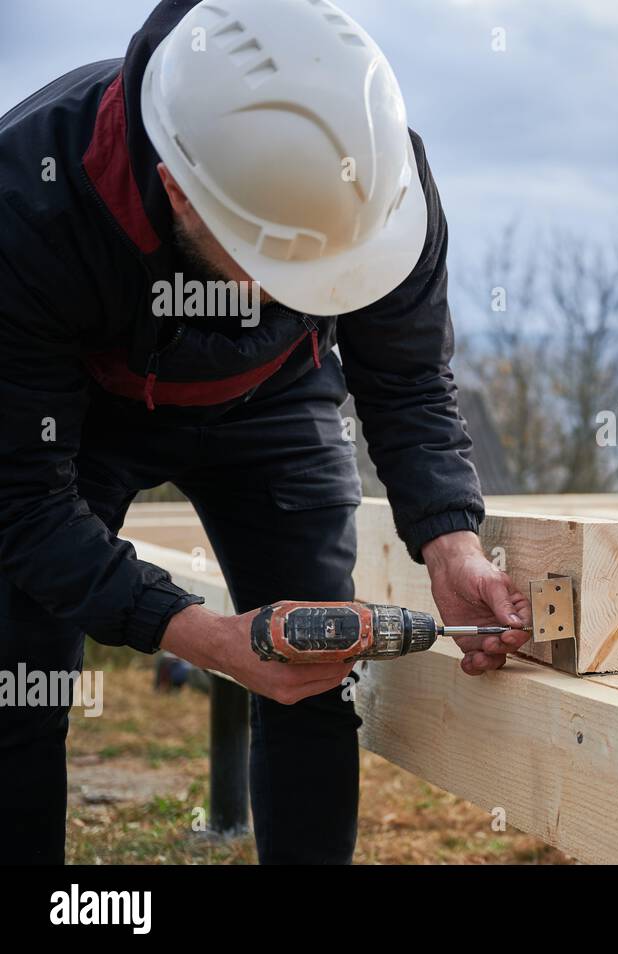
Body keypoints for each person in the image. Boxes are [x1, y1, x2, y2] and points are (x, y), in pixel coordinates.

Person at [0, 0, 531, 864]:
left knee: (313, 676)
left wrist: (450, 539)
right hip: (82, 409)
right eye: (285, 268)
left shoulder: (378, 183)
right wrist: (199, 635)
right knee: (19, 670)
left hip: (274, 400)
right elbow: (20, 502)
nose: (312, 290)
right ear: (179, 187)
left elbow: (406, 381)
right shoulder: (27, 200)